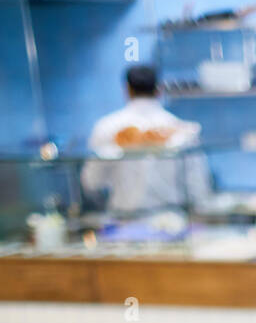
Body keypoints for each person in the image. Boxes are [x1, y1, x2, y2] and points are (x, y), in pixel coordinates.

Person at [80, 64, 211, 217]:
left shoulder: (106, 127)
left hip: (124, 222)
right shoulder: (181, 129)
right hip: (171, 221)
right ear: (158, 90)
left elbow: (91, 181)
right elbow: (197, 184)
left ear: (127, 89)